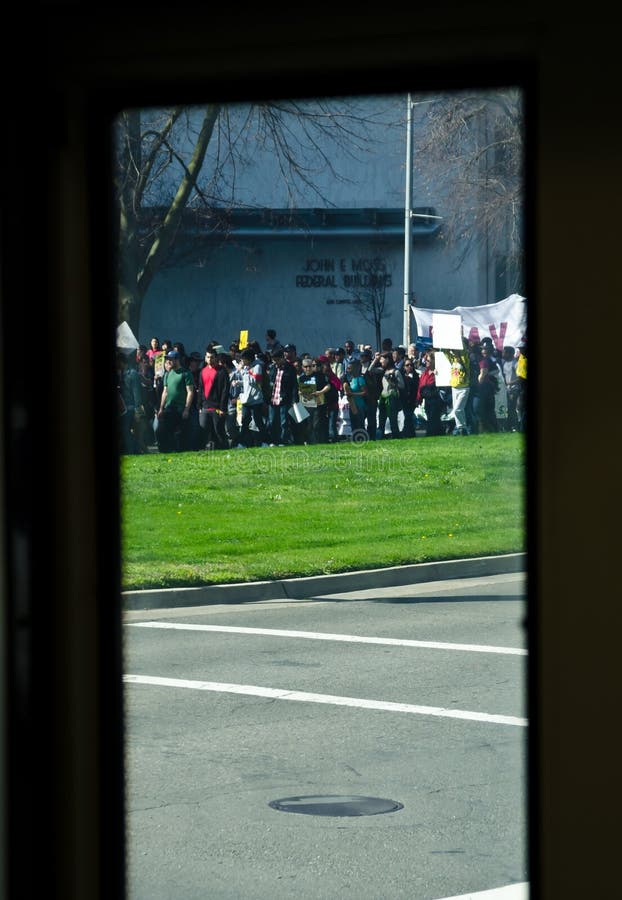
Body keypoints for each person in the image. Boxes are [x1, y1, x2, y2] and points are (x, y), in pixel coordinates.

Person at [156, 350, 195, 452]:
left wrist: (186, 409)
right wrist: (161, 408)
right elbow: (165, 392)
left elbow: (190, 392)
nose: (168, 362)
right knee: (161, 430)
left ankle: (179, 450)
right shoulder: (168, 375)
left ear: (177, 360)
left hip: (180, 408)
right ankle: (166, 450)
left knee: (180, 433)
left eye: (170, 359)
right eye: (167, 359)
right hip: (169, 407)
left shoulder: (186, 373)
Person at [236, 347, 270, 448]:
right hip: (246, 400)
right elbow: (247, 381)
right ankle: (242, 443)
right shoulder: (247, 367)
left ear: (248, 359)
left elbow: (257, 380)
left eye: (243, 359)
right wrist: (239, 382)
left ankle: (265, 441)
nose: (242, 361)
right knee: (244, 421)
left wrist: (245, 371)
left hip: (256, 400)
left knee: (258, 421)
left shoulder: (257, 366)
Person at [199, 348, 230, 450]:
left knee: (218, 431)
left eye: (212, 357)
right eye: (208, 357)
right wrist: (200, 405)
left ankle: (224, 448)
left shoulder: (222, 371)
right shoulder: (203, 371)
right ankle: (206, 450)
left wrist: (222, 408)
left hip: (217, 407)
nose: (210, 359)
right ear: (205, 358)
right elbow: (201, 389)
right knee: (203, 429)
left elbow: (225, 391)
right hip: (205, 406)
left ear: (216, 358)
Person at [268, 348, 299, 445]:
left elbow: (294, 385)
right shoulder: (273, 368)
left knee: (284, 422)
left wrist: (294, 399)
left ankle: (283, 440)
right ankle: (274, 440)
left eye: (277, 360)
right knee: (272, 421)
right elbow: (270, 382)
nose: (275, 362)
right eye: (274, 360)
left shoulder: (290, 369)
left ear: (282, 358)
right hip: (273, 399)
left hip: (285, 399)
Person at [116, 350, 144, 454]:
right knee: (125, 431)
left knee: (126, 431)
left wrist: (138, 410)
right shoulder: (121, 374)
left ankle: (132, 451)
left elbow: (137, 393)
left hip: (130, 407)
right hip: (123, 407)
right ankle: (135, 449)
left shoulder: (132, 374)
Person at [442, 341, 471, 436]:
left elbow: (464, 352)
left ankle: (462, 427)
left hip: (464, 388)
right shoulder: (452, 360)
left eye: (455, 349)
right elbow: (445, 352)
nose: (453, 351)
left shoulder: (464, 360)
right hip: (454, 387)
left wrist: (459, 340)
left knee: (458, 409)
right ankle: (462, 428)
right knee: (457, 409)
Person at [377, 351, 404, 438]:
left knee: (393, 419)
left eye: (382, 359)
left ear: (387, 359)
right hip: (383, 397)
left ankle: (395, 435)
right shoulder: (383, 371)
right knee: (381, 419)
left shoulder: (396, 372)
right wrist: (376, 359)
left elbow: (402, 385)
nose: (380, 361)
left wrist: (393, 382)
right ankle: (380, 435)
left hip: (392, 397)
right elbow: (370, 369)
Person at [416, 351, 444, 436]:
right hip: (427, 399)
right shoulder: (425, 373)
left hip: (435, 399)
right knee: (429, 417)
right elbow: (420, 386)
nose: (426, 362)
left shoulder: (438, 372)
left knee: (433, 418)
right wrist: (418, 398)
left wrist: (437, 375)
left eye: (428, 360)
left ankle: (432, 433)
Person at [474, 343, 500, 433]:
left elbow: (497, 370)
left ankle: (491, 429)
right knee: (486, 409)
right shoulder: (485, 359)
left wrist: (487, 374)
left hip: (486, 386)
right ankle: (489, 429)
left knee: (484, 409)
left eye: (486, 349)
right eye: (483, 349)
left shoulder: (490, 359)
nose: (484, 351)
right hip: (487, 386)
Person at [343, 358, 367, 434]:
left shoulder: (360, 379)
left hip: (359, 405)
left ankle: (362, 438)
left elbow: (364, 392)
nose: (348, 370)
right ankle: (355, 438)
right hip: (352, 404)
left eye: (350, 368)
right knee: (354, 424)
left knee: (360, 424)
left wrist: (352, 394)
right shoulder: (352, 379)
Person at [501, 345, 520, 431]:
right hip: (506, 390)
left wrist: (509, 383)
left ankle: (515, 426)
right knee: (507, 409)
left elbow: (520, 378)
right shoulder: (504, 363)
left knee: (512, 408)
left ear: (510, 353)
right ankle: (508, 426)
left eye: (504, 352)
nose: (503, 354)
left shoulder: (515, 363)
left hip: (514, 389)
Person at [400, 357, 420, 437]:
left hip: (412, 400)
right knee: (407, 416)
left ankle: (407, 433)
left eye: (411, 365)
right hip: (404, 399)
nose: (409, 367)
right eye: (407, 365)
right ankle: (409, 432)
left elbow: (417, 387)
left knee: (408, 416)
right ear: (404, 367)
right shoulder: (401, 375)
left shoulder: (416, 376)